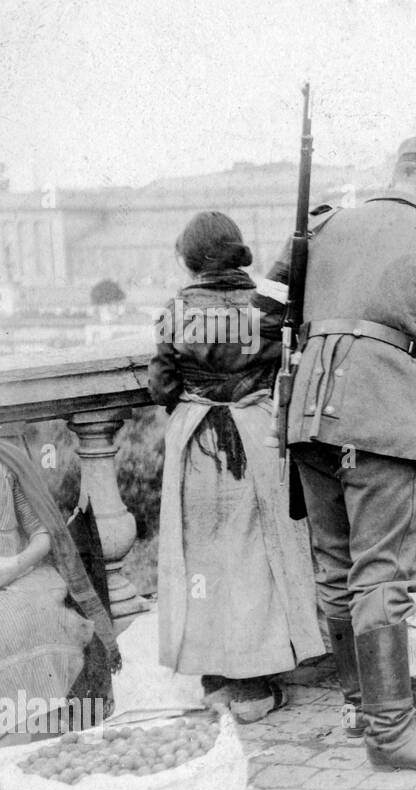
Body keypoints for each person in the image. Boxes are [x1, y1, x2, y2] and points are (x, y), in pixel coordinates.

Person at [273, 137, 416, 772]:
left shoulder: (324, 227)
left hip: (308, 416)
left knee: (334, 564)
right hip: (379, 416)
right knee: (383, 568)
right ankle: (392, 733)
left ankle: (361, 706)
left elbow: (270, 311)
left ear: (398, 174)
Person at [149, 212, 324, 723]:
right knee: (254, 558)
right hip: (256, 437)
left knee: (200, 561)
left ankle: (214, 680)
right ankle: (252, 684)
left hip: (196, 442)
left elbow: (162, 386)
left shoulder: (177, 310)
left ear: (191, 259)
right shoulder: (269, 307)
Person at [0, 440, 120, 739]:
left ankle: (43, 730)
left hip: (17, 572)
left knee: (40, 615)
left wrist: (14, 565)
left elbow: (41, 533)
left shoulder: (6, 462)